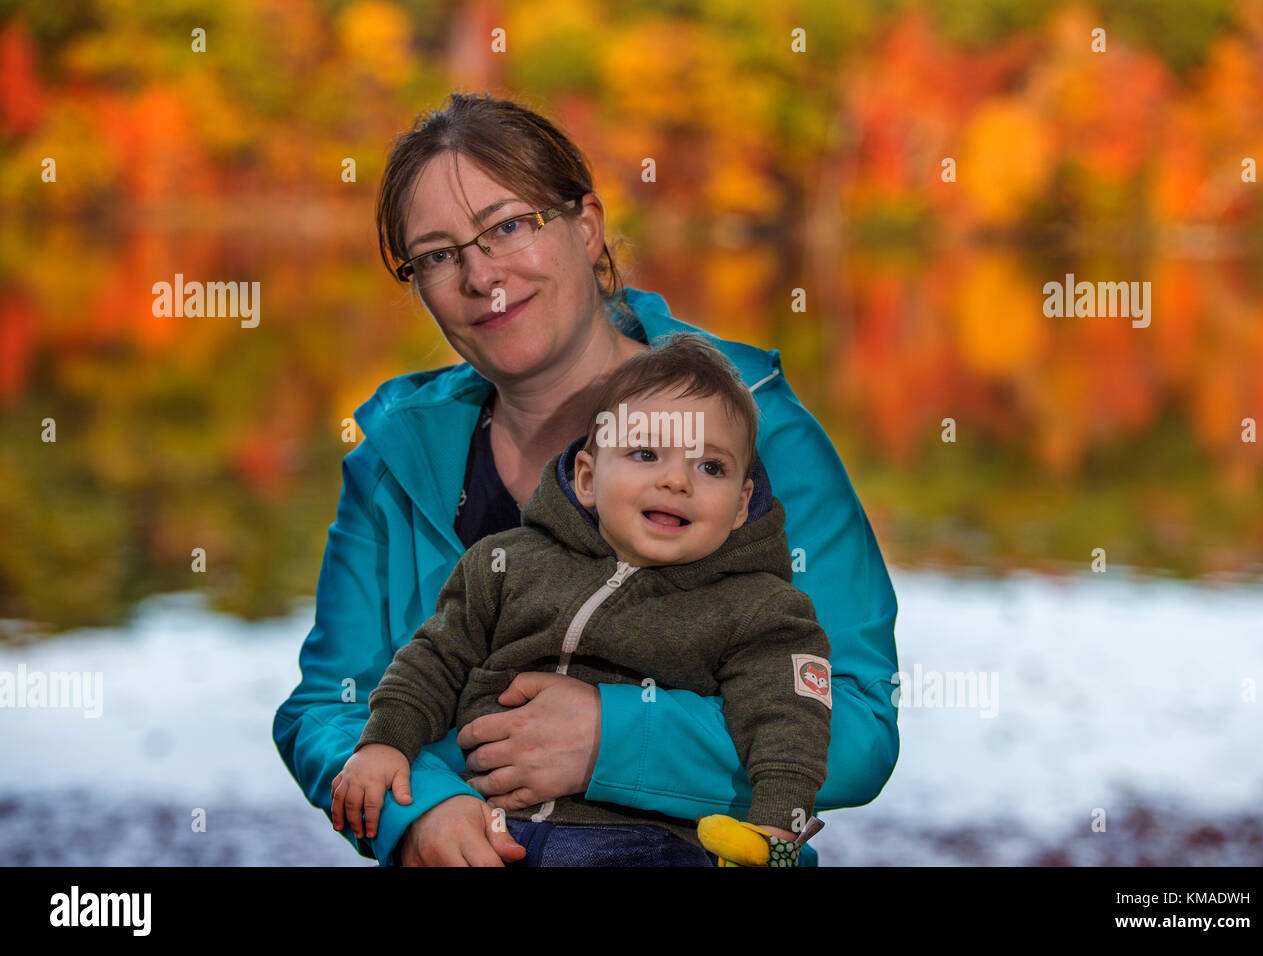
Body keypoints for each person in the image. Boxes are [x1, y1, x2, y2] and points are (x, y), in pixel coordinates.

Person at [272, 91, 900, 867]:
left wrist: (615, 738)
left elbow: (861, 723)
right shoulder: (395, 462)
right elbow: (326, 705)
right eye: (437, 254)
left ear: (587, 224)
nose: (481, 275)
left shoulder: (753, 431)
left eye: (508, 226)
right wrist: (421, 816)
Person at [330, 334, 833, 866]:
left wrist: (777, 827)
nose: (677, 480)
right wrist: (385, 742)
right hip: (495, 827)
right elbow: (434, 659)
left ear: (740, 505)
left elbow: (788, 720)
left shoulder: (760, 608)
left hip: (646, 844)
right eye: (646, 453)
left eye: (711, 467)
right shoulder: (505, 563)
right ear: (588, 478)